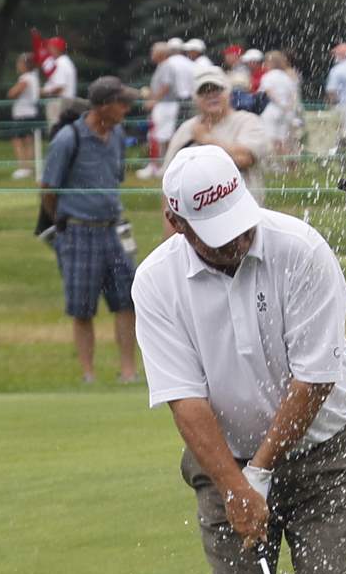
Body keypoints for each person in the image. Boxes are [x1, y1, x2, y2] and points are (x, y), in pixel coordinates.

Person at [132, 145, 346, 574]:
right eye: (215, 235)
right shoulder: (156, 283)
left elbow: (314, 378)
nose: (235, 243)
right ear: (175, 220)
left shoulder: (300, 249)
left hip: (328, 456)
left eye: (239, 226)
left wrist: (261, 472)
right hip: (222, 464)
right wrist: (238, 484)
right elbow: (185, 400)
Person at [39, 76, 141, 383]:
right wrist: (63, 224)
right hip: (78, 231)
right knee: (82, 306)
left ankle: (128, 371)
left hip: (114, 230)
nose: (127, 108)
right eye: (122, 103)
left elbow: (115, 178)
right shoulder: (69, 138)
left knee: (127, 300)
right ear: (104, 105)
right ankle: (89, 374)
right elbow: (48, 189)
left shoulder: (118, 133)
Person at [163, 65, 272, 205]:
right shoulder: (186, 129)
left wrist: (205, 139)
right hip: (195, 219)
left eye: (217, 90)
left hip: (243, 213)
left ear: (229, 92)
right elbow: (169, 183)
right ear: (195, 98)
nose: (211, 95)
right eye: (204, 92)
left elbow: (243, 158)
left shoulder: (248, 121)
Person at [137, 42, 181, 180]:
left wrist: (153, 101)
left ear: (161, 53)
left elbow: (166, 86)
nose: (151, 54)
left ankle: (158, 167)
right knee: (160, 136)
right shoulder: (164, 66)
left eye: (153, 51)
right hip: (165, 105)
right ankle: (162, 166)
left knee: (158, 136)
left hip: (165, 105)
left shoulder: (166, 66)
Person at [259, 50, 300, 171]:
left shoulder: (268, 76)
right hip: (286, 112)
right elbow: (293, 95)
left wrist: (280, 104)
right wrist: (287, 107)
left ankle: (275, 165)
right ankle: (289, 166)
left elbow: (268, 92)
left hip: (272, 109)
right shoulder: (286, 77)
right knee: (282, 140)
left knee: (271, 139)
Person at [6, 52, 40, 178]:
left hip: (23, 113)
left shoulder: (25, 78)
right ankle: (28, 167)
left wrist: (11, 91)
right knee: (28, 140)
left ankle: (24, 167)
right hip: (31, 112)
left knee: (18, 140)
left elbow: (13, 93)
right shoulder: (34, 76)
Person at [42, 36, 78, 128]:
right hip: (66, 100)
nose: (48, 49)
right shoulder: (65, 61)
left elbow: (59, 88)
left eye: (50, 46)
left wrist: (41, 91)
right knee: (65, 129)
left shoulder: (59, 63)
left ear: (56, 48)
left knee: (56, 130)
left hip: (59, 101)